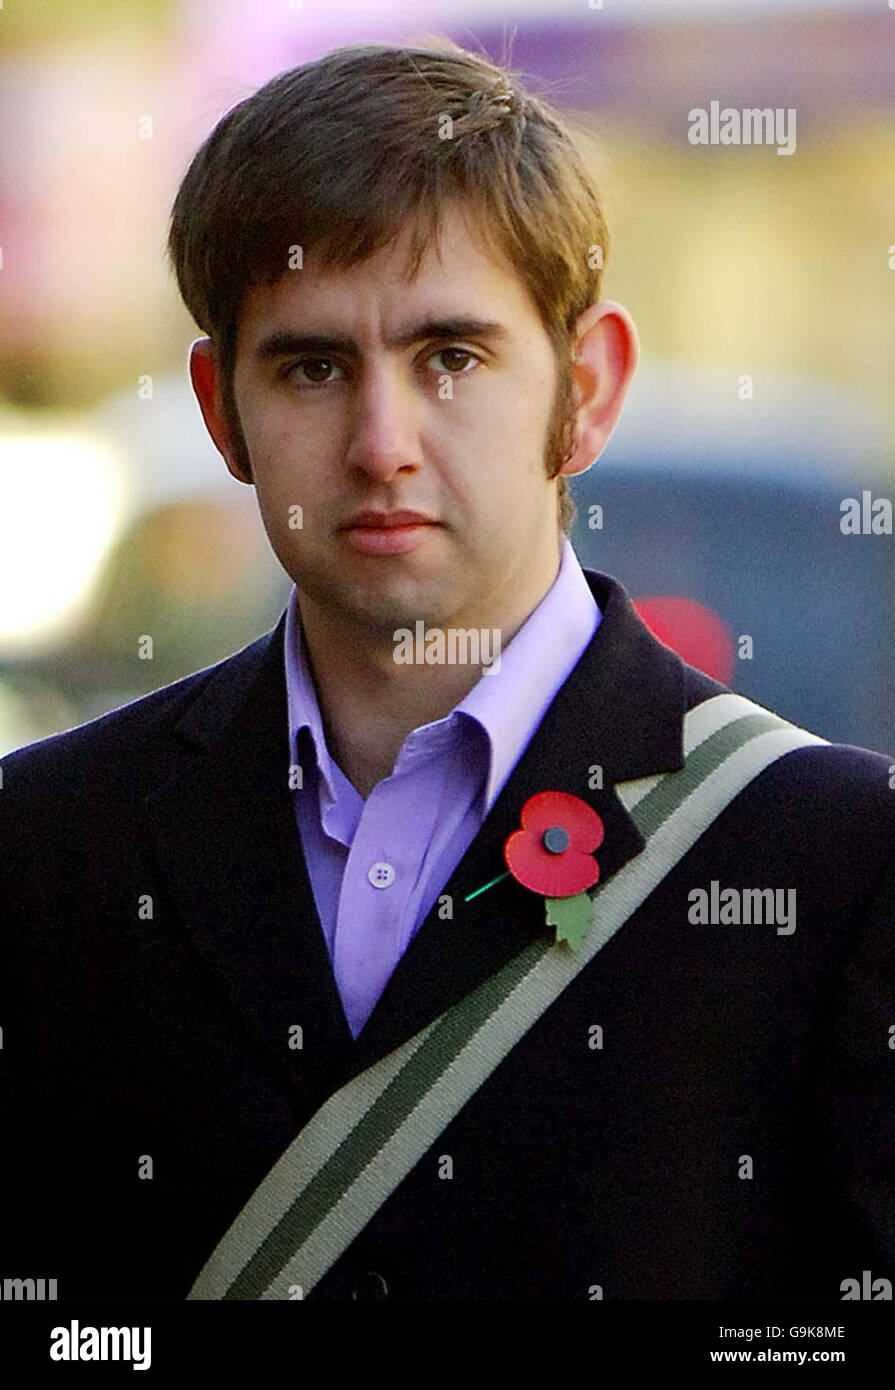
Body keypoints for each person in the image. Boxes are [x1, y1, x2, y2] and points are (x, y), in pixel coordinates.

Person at [1, 40, 893, 1304]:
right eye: (313, 366)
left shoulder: (840, 862)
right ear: (220, 412)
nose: (381, 444)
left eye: (452, 358)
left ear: (584, 391)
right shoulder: (47, 847)